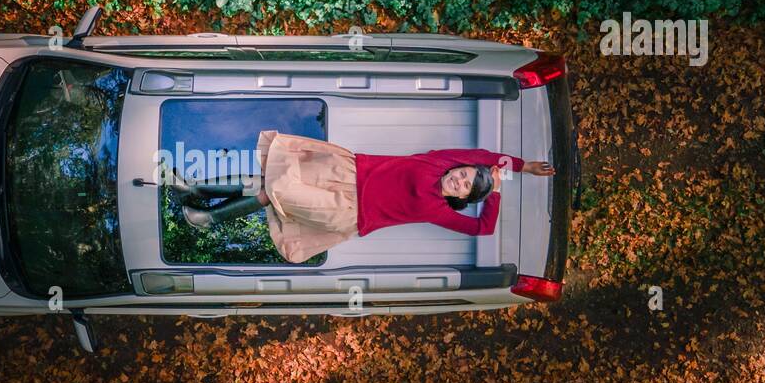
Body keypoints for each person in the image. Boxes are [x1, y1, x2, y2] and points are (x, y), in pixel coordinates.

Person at [171, 130, 554, 264]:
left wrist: (498, 191)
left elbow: (483, 229)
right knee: (266, 178)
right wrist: (519, 165)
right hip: (347, 170)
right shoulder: (438, 162)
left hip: (347, 211)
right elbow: (484, 158)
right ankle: (196, 189)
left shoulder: (439, 210)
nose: (459, 178)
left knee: (277, 190)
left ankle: (210, 218)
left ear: (464, 196)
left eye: (465, 184)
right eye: (463, 173)